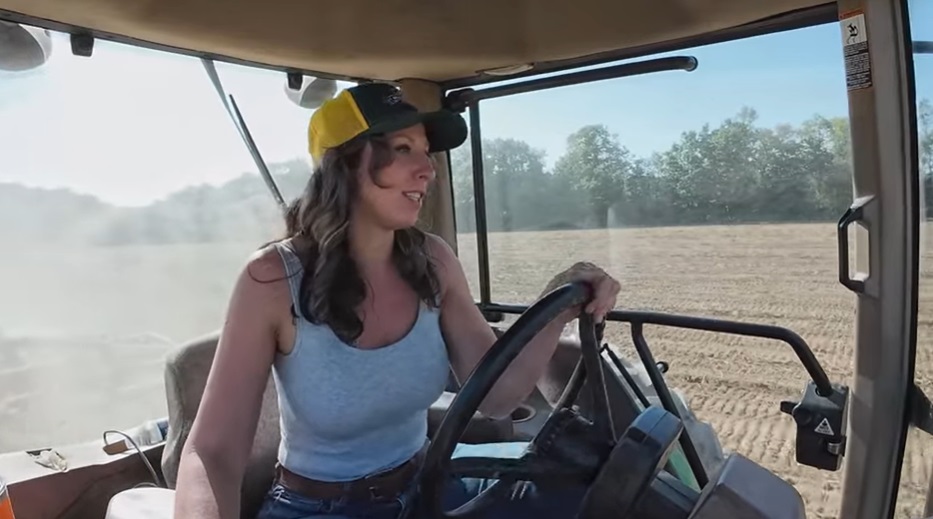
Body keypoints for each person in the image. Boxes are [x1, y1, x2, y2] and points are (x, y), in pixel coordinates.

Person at [172, 82, 621, 519]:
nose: (428, 169)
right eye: (403, 149)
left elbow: (499, 396)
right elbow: (213, 452)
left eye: (426, 151)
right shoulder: (272, 279)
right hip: (321, 506)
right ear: (342, 163)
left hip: (430, 478)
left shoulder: (433, 262)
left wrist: (557, 304)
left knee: (598, 482)